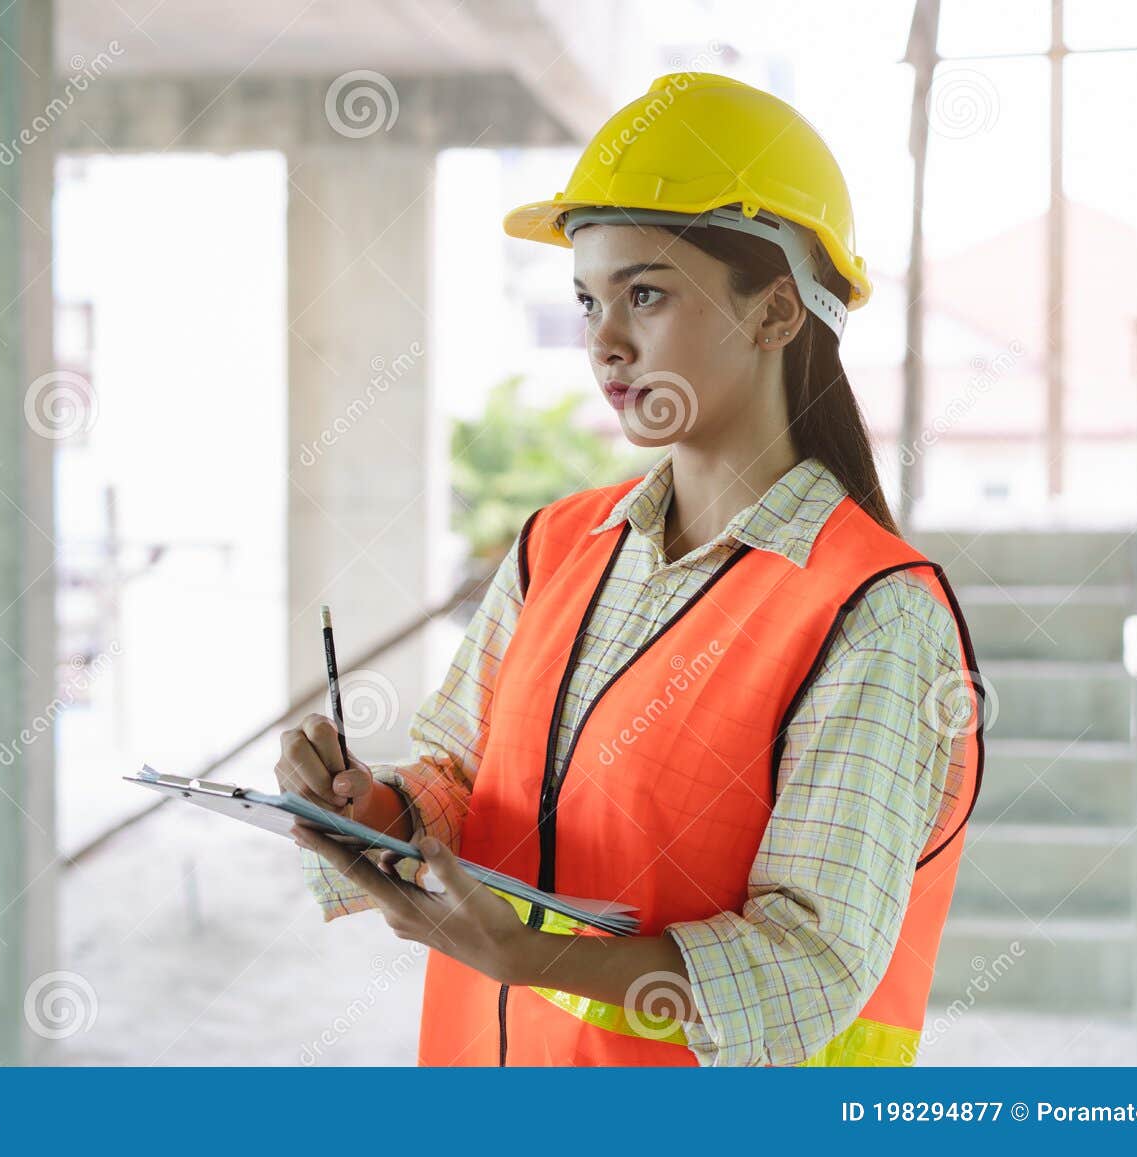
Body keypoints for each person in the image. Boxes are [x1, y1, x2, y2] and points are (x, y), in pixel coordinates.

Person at [278, 72, 985, 1067]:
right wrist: (368, 807)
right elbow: (464, 782)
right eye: (585, 299)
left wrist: (533, 956)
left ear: (776, 311)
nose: (602, 342)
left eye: (644, 294)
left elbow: (810, 965)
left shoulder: (870, 612)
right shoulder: (557, 545)